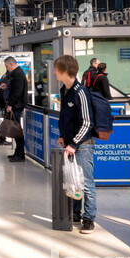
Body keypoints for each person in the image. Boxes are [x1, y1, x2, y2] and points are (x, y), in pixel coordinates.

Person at [54, 53, 96, 234]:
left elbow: (87, 122)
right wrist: (63, 136)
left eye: (56, 69)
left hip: (83, 145)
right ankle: (76, 213)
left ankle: (89, 218)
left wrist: (75, 143)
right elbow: (64, 115)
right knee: (73, 181)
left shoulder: (81, 92)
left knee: (86, 182)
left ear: (64, 71)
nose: (54, 72)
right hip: (70, 143)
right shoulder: (64, 90)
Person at [3, 56, 27, 162]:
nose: (7, 68)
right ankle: (18, 153)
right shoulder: (17, 73)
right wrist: (6, 86)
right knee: (16, 130)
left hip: (16, 106)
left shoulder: (18, 74)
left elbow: (17, 92)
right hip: (16, 105)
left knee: (17, 131)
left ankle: (20, 154)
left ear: (11, 64)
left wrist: (10, 104)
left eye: (7, 66)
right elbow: (14, 88)